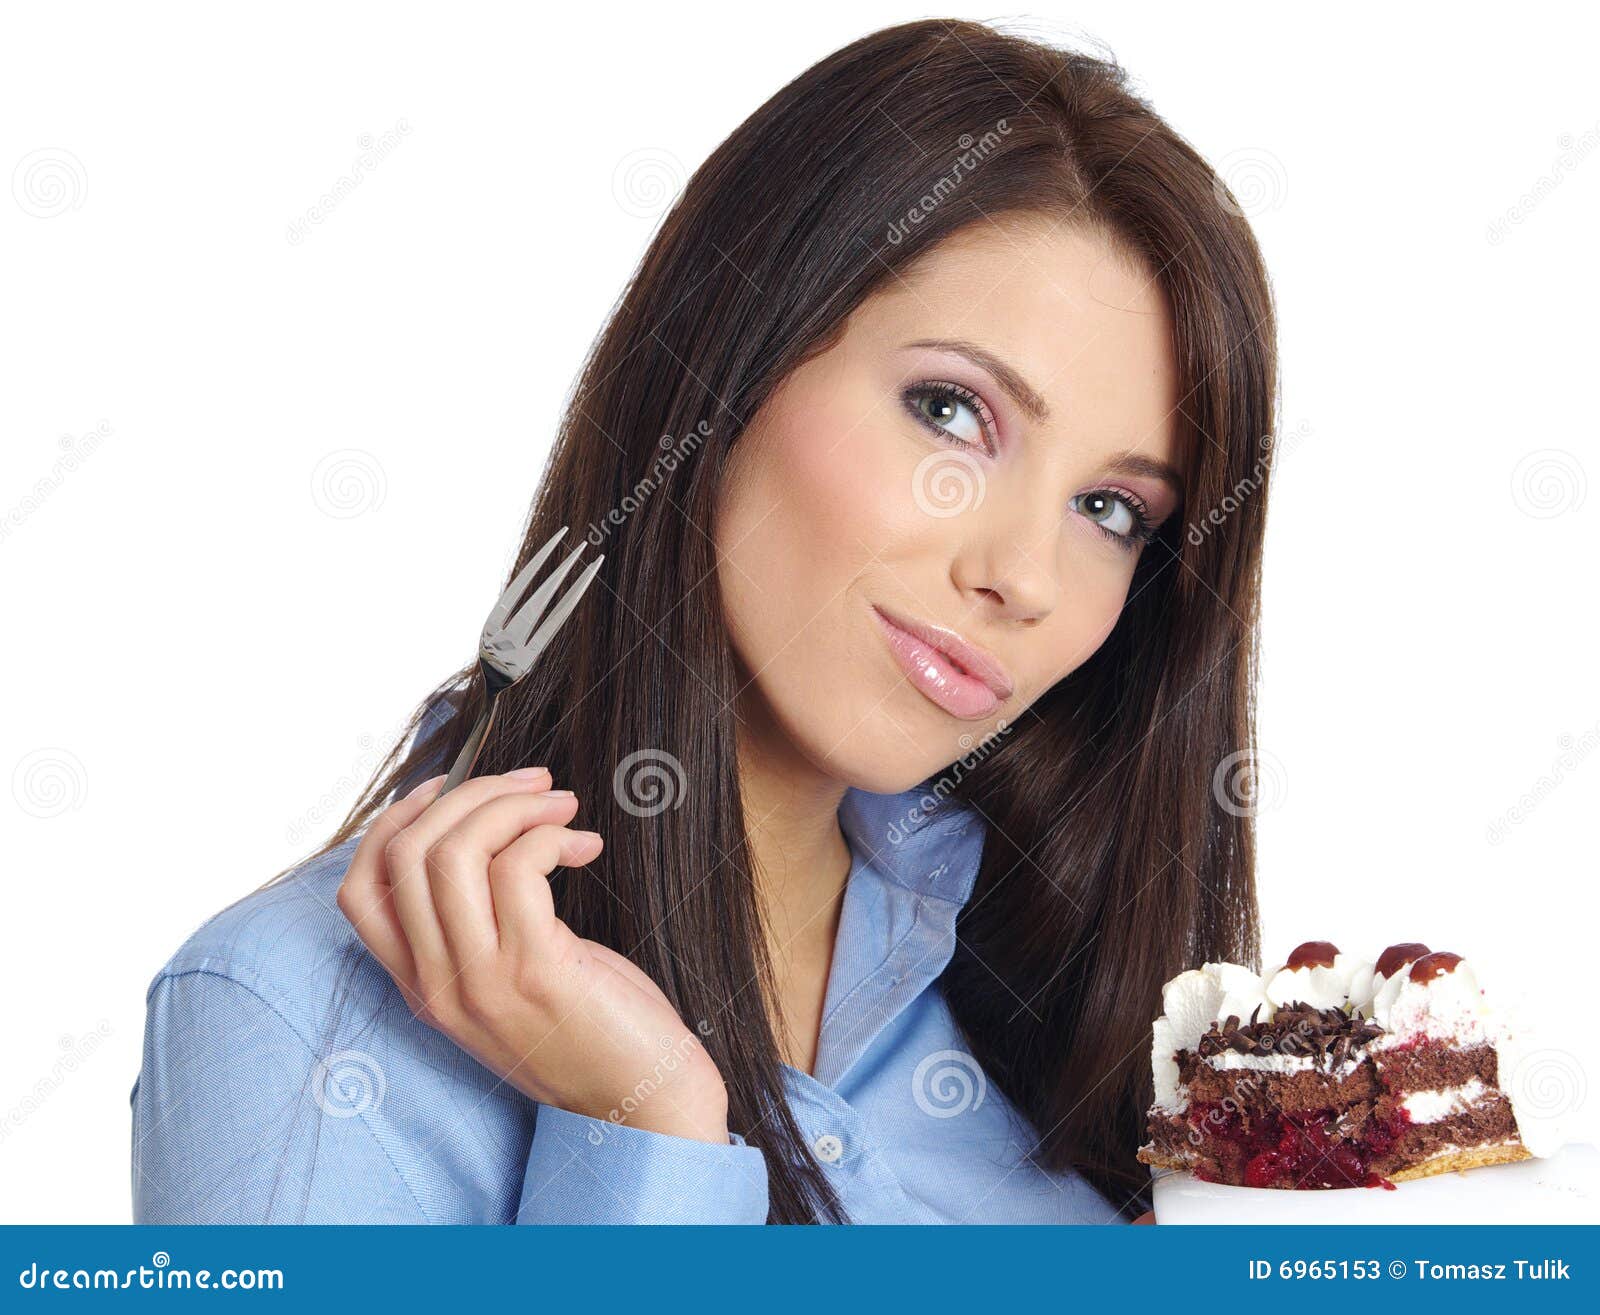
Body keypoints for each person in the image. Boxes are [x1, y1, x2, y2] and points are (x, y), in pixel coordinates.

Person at [131, 16, 1276, 1225]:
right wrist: (643, 1131)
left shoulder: (1063, 1005)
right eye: (949, 410)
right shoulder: (293, 1023)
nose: (1024, 576)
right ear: (726, 364)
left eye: (1109, 506)